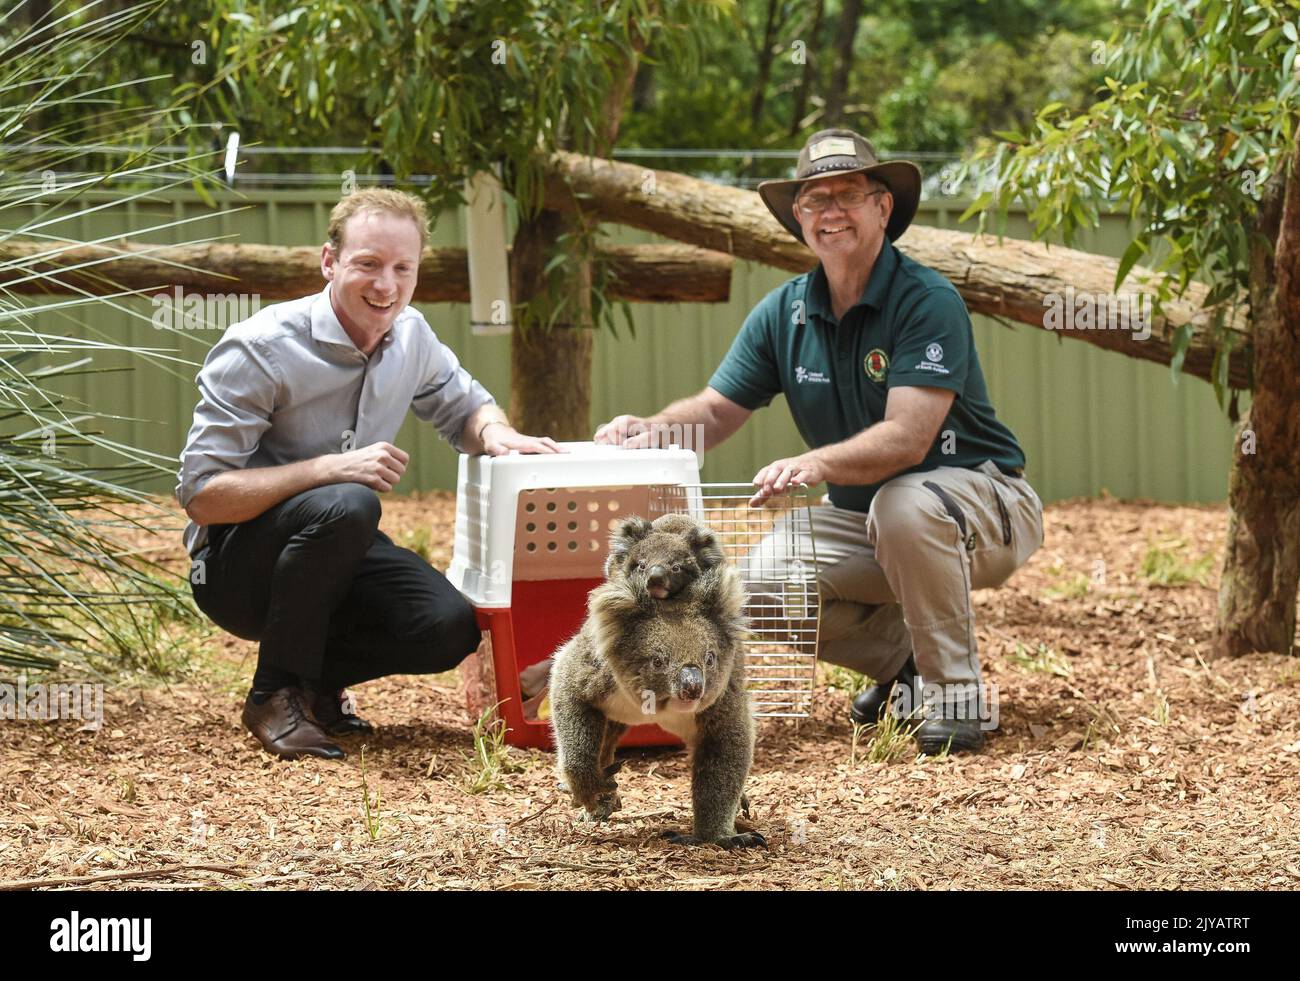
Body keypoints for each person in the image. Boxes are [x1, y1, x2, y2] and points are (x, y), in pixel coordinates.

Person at [594, 129, 1043, 754]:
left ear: (883, 207)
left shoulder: (926, 299)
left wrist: (814, 462)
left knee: (905, 504)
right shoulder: (786, 311)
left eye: (848, 194)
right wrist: (650, 432)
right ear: (798, 218)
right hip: (865, 518)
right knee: (747, 594)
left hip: (983, 506)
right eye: (813, 200)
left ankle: (958, 697)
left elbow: (910, 440)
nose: (830, 212)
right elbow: (718, 411)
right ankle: (903, 662)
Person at [177, 188, 560, 761]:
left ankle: (316, 684)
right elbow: (203, 497)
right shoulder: (261, 347)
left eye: (403, 268)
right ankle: (274, 695)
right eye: (368, 264)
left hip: (335, 548)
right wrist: (329, 469)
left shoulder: (413, 335)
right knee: (349, 502)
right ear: (329, 262)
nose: (387, 285)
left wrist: (497, 434)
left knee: (447, 625)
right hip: (235, 570)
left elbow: (467, 408)